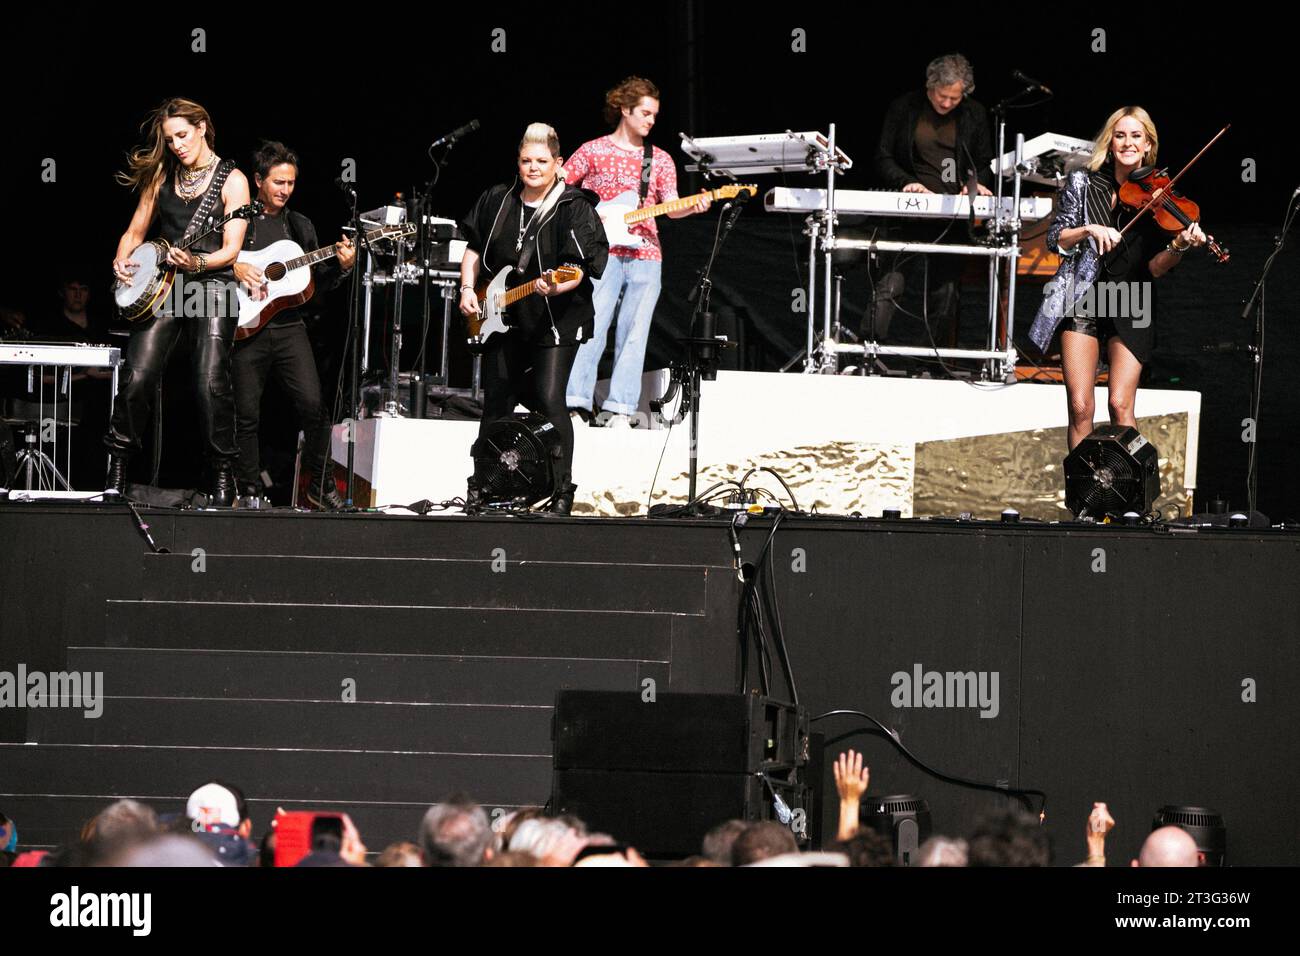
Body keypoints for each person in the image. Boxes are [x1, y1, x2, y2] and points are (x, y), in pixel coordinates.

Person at [1029, 106, 1207, 450]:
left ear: (1147, 144)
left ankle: (1130, 499)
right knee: (1081, 407)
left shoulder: (1161, 196)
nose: (1127, 142)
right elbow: (1056, 240)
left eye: (1136, 136)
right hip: (1083, 297)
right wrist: (1088, 229)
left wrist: (1180, 245)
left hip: (1132, 300)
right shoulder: (1083, 182)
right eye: (1120, 135)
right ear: (1110, 143)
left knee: (1119, 405)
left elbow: (1156, 268)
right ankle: (1088, 498)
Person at [457, 122, 608, 515]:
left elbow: (578, 268)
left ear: (558, 164)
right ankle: (487, 485)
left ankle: (562, 492)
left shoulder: (574, 206)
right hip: (504, 315)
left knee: (548, 398)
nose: (533, 167)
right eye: (526, 160)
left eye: (542, 161)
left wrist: (554, 287)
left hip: (557, 316)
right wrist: (467, 290)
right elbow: (474, 249)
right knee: (497, 402)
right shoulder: (497, 198)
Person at [107, 97, 251, 505]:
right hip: (165, 286)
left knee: (209, 381)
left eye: (183, 136)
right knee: (137, 374)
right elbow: (135, 231)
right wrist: (123, 257)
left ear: (202, 127)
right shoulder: (162, 176)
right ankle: (117, 468)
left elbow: (231, 250)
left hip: (211, 284)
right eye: (170, 140)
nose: (177, 146)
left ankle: (223, 474)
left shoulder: (233, 180)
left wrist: (198, 260)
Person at [563, 76, 710, 427]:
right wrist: (590, 217)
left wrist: (694, 206)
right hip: (601, 253)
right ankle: (575, 402)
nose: (651, 120)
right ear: (624, 110)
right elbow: (561, 188)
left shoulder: (657, 159)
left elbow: (671, 207)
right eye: (645, 112)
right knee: (592, 327)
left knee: (635, 331)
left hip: (647, 256)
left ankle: (621, 408)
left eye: (655, 115)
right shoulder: (593, 150)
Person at [230, 141, 354, 509]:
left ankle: (319, 484)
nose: (285, 189)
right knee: (245, 414)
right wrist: (236, 264)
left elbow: (317, 285)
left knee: (315, 407)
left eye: (291, 183)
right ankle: (248, 492)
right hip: (245, 327)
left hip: (288, 327)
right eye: (278, 182)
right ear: (258, 180)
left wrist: (344, 267)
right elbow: (207, 260)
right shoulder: (237, 219)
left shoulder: (300, 227)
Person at [870, 53, 994, 349]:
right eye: (943, 96)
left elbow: (985, 162)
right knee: (891, 282)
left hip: (951, 215)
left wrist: (975, 185)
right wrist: (906, 182)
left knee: (946, 290)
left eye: (955, 98)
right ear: (930, 86)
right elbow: (883, 156)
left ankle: (933, 357)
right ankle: (870, 349)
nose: (948, 103)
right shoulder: (905, 107)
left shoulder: (973, 113)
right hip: (909, 213)